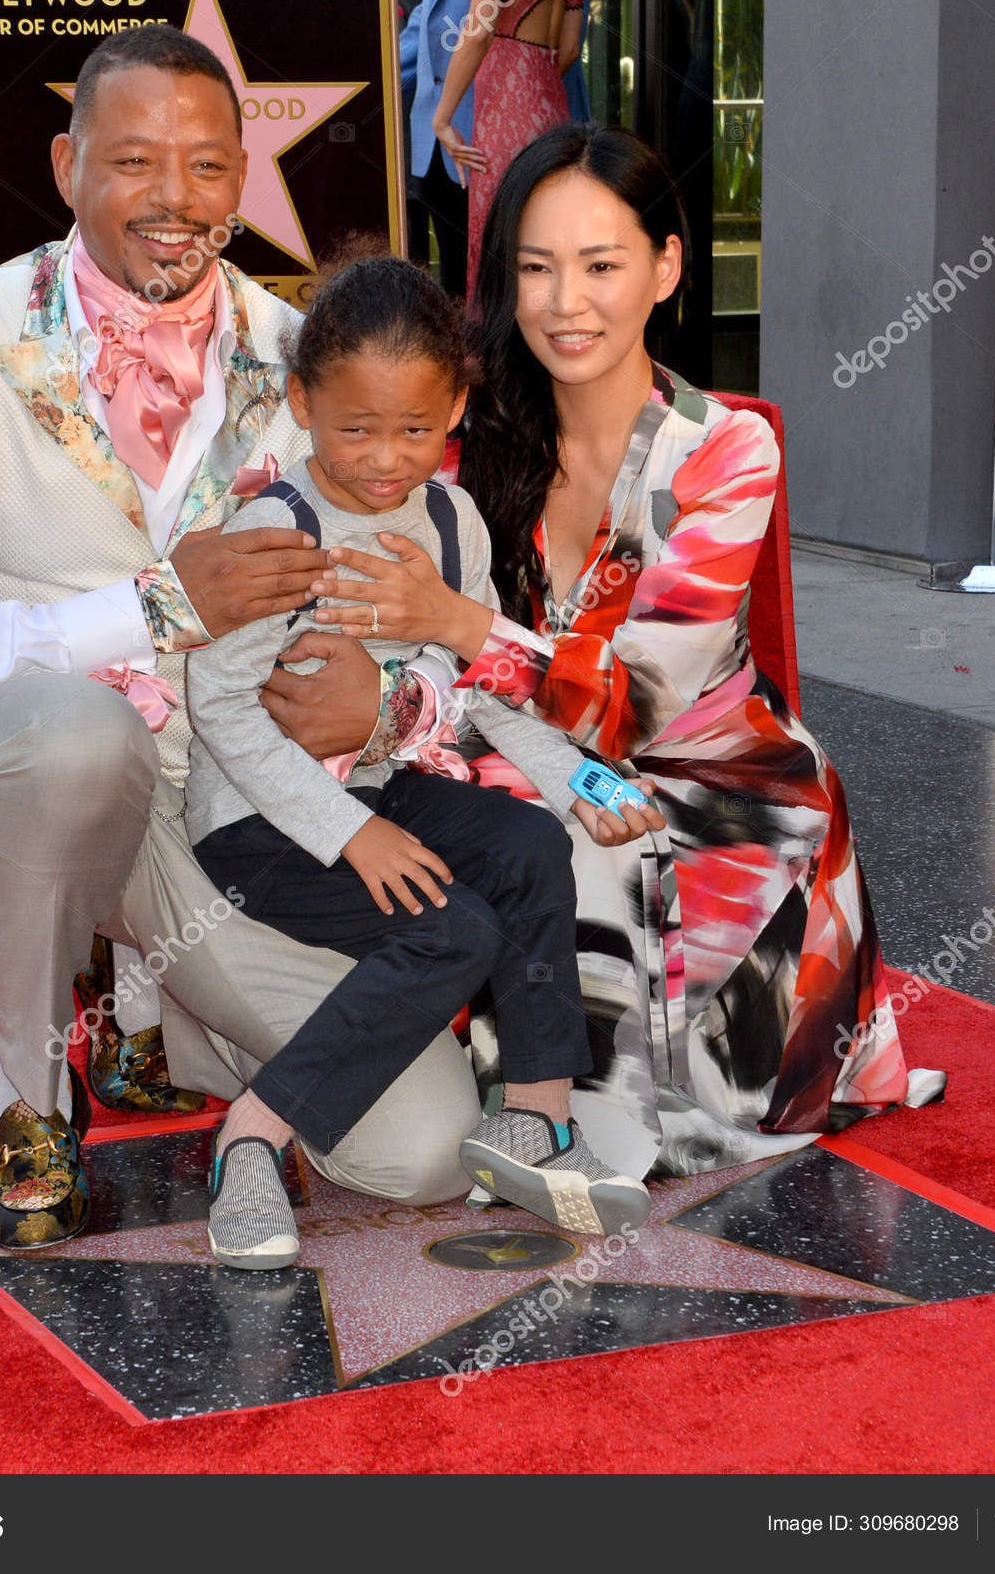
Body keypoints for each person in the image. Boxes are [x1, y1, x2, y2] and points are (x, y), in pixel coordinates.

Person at [0, 27, 482, 1251]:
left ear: (244, 177)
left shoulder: (308, 363)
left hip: (221, 821)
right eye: (134, 161)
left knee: (423, 1148)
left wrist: (382, 710)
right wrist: (149, 608)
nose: (176, 200)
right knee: (81, 733)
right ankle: (34, 1096)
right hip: (3, 782)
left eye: (208, 166)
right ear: (66, 166)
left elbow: (423, 611)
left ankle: (164, 1008)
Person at [307, 124, 947, 1178]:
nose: (567, 302)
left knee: (567, 834)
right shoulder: (462, 448)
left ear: (665, 266)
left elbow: (639, 704)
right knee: (499, 825)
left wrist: (456, 623)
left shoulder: (728, 450)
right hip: (520, 757)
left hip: (724, 785)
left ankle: (568, 1136)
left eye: (601, 265)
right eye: (535, 268)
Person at [187, 253, 658, 1267]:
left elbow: (480, 684)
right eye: (354, 428)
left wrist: (574, 772)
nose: (383, 459)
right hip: (259, 825)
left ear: (455, 405)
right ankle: (255, 1136)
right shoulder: (280, 527)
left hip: (374, 784)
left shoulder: (449, 519)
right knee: (456, 929)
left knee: (531, 842)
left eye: (413, 429)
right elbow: (218, 702)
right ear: (303, 401)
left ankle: (534, 1121)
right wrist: (353, 833)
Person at [429, 0, 582, 295]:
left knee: (498, 249)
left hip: (504, 112)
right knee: (543, 246)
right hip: (551, 109)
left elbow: (477, 33)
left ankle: (497, 343)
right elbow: (569, 49)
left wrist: (442, 119)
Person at [399, 0, 472, 297]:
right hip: (432, 144)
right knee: (453, 278)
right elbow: (417, 38)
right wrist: (361, 75)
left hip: (478, 132)